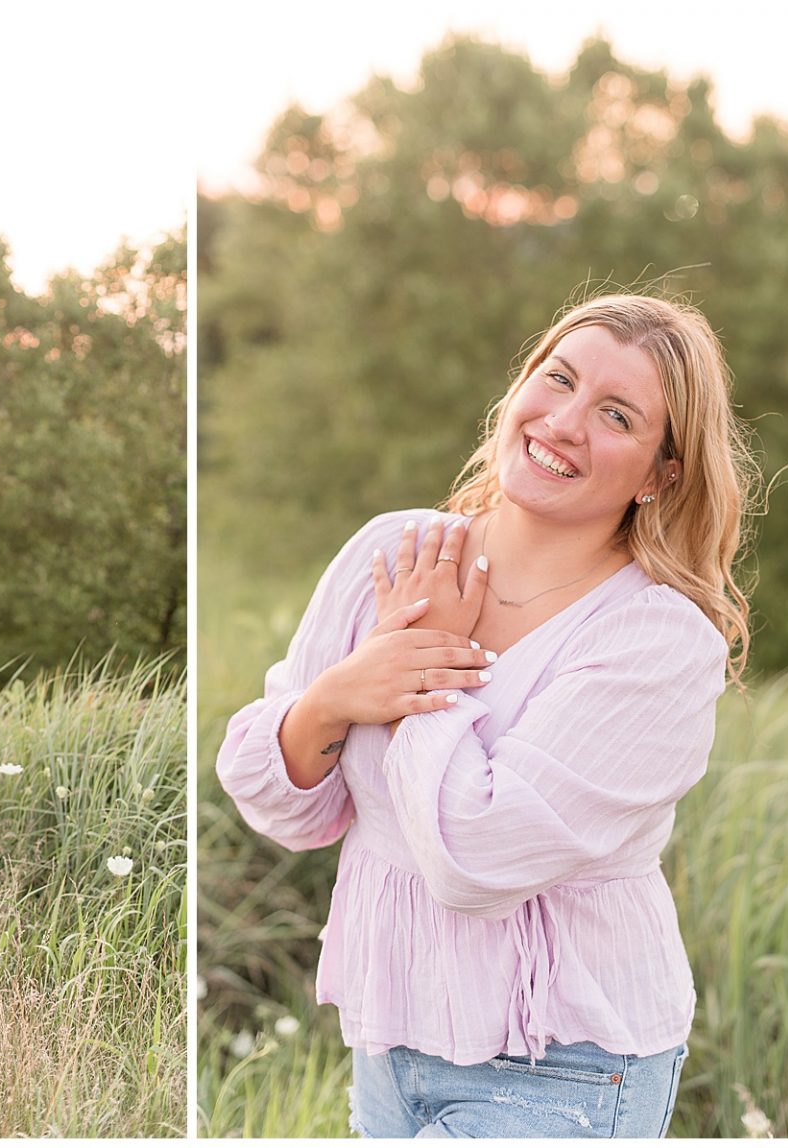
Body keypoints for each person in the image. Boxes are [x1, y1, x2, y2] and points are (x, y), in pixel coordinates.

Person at [216, 294, 757, 1138]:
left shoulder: (657, 639)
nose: (566, 422)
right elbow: (284, 806)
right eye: (559, 379)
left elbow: (476, 857)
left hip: (565, 1066)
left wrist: (424, 668)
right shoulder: (393, 553)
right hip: (388, 1045)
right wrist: (335, 696)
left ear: (662, 474)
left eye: (615, 414)